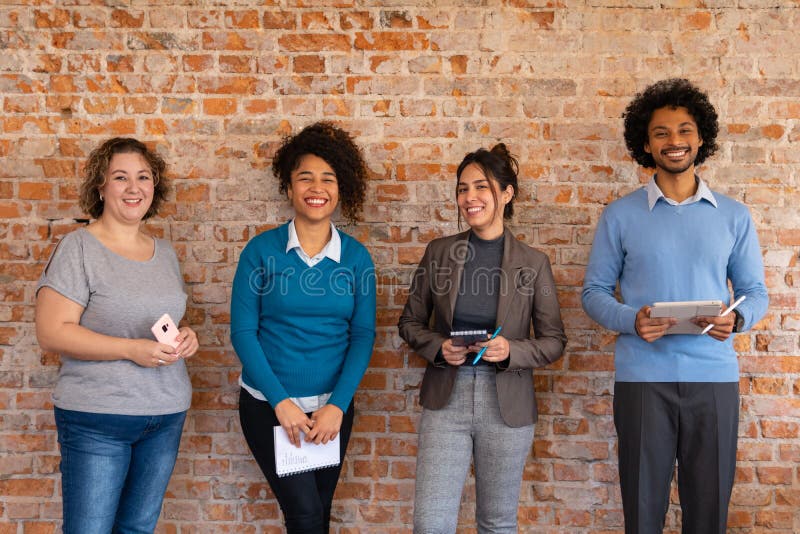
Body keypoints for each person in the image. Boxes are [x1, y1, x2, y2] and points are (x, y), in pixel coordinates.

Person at [581, 78, 769, 534]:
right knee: (642, 513)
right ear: (646, 144)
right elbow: (594, 292)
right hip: (643, 380)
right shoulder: (620, 215)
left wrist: (736, 318)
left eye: (684, 130)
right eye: (661, 133)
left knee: (708, 515)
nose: (674, 141)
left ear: (701, 138)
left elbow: (755, 291)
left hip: (714, 380)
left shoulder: (734, 215)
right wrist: (632, 320)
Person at [398, 143, 567, 533]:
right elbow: (409, 322)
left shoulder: (533, 263)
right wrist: (438, 348)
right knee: (430, 523)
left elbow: (554, 340)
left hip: (506, 403)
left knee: (497, 523)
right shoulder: (439, 253)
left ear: (506, 194)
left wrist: (510, 350)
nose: (469, 197)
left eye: (481, 187)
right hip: (446, 399)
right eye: (462, 189)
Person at [35, 137, 199, 533]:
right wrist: (131, 349)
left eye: (143, 177)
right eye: (121, 177)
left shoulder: (165, 253)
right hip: (97, 418)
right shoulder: (78, 248)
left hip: (164, 414)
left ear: (155, 186)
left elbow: (158, 320)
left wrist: (186, 335)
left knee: (137, 529)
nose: (133, 187)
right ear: (101, 187)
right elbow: (52, 333)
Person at [230, 121, 376, 534]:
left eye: (328, 178)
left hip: (331, 411)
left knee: (319, 513)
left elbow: (363, 336)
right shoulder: (261, 251)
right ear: (289, 187)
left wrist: (338, 406)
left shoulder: (356, 258)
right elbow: (243, 333)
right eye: (305, 177)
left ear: (341, 188)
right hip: (269, 406)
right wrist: (281, 402)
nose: (317, 188)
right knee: (306, 515)